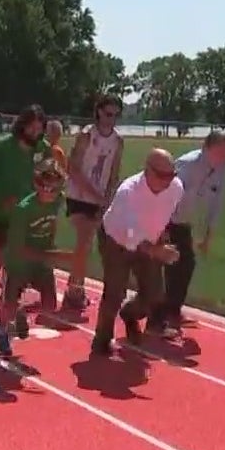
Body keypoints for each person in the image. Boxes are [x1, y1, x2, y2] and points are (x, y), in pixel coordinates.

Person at [92, 148, 183, 355]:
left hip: (149, 241)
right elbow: (131, 233)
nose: (168, 180)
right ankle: (102, 339)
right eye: (162, 175)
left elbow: (163, 216)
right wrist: (156, 251)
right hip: (115, 240)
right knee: (115, 291)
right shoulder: (128, 192)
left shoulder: (176, 188)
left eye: (172, 174)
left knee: (154, 293)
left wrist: (162, 238)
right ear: (147, 171)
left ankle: (130, 314)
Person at [148, 131, 225, 337]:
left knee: (186, 264)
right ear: (206, 148)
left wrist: (208, 235)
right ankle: (156, 320)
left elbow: (216, 204)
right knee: (167, 266)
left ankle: (173, 312)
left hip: (183, 222)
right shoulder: (186, 165)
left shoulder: (223, 170)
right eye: (220, 150)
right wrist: (159, 229)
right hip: (164, 219)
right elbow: (162, 192)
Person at [0, 105, 52, 323]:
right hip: (1, 213)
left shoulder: (42, 149)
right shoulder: (2, 146)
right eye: (32, 128)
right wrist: (1, 196)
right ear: (22, 126)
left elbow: (48, 174)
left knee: (19, 262)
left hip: (27, 216)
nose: (35, 134)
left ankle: (8, 306)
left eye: (39, 129)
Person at [0, 159, 75, 356]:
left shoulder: (59, 200)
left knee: (50, 305)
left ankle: (23, 313)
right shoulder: (24, 209)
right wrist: (55, 255)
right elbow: (18, 249)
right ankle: (2, 334)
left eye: (55, 188)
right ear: (37, 184)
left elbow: (55, 221)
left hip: (41, 263)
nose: (50, 192)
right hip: (18, 262)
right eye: (46, 187)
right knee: (9, 304)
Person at [64, 95, 125, 309]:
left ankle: (75, 286)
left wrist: (108, 199)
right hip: (78, 195)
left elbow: (114, 173)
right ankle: (75, 290)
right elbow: (73, 169)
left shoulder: (118, 141)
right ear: (98, 112)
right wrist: (94, 194)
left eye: (116, 115)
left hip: (99, 200)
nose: (112, 119)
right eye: (108, 114)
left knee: (88, 245)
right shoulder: (86, 135)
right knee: (84, 241)